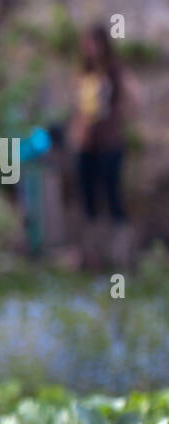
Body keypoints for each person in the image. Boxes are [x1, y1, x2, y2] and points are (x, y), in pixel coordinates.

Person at [68, 25, 140, 268]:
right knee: (88, 198)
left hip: (110, 142)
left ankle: (120, 255)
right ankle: (92, 256)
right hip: (87, 144)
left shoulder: (115, 71)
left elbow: (136, 98)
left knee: (112, 194)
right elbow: (78, 108)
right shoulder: (83, 73)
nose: (88, 48)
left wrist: (120, 116)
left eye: (91, 43)